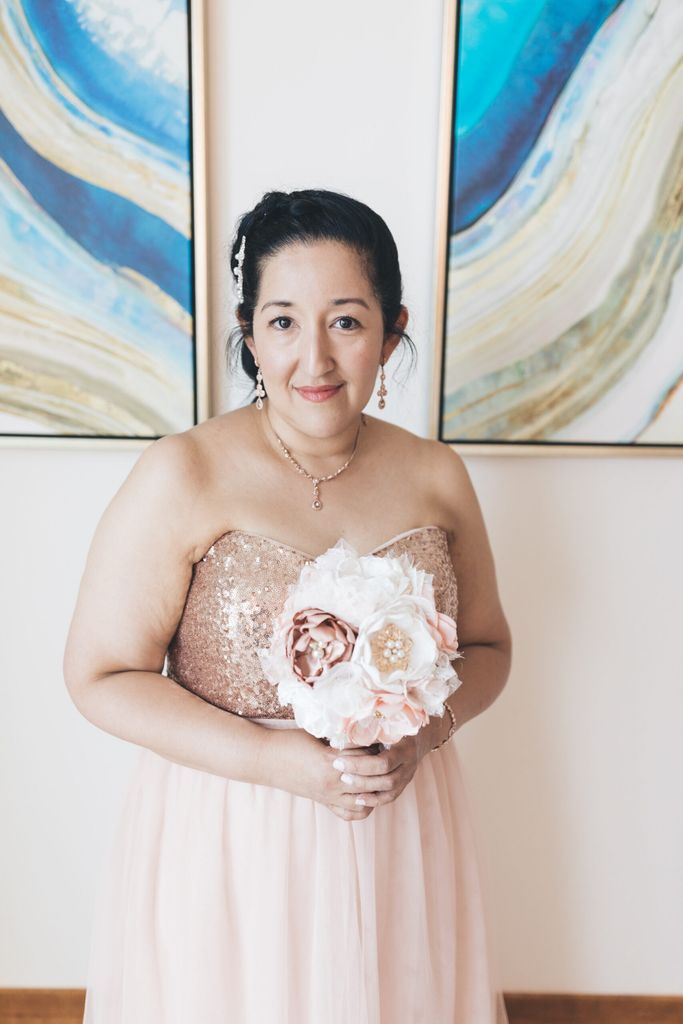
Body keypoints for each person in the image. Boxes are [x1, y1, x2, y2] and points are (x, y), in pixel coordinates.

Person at [64, 188, 512, 1023]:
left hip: (398, 826)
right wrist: (278, 764)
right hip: (234, 830)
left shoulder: (436, 474)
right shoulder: (183, 473)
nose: (315, 359)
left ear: (391, 331)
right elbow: (100, 675)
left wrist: (422, 737)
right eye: (282, 322)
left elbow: (487, 648)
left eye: (345, 321)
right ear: (249, 334)